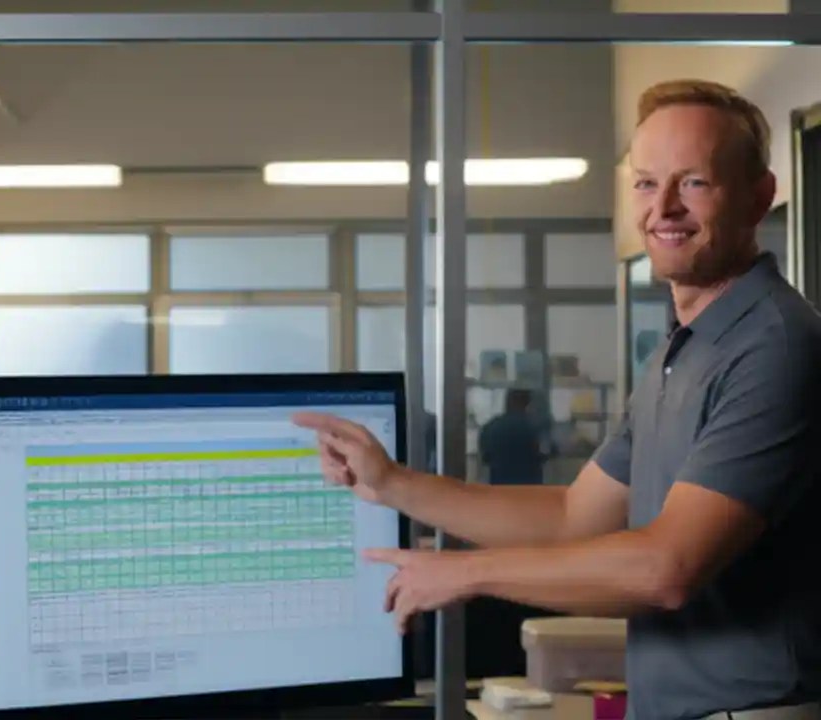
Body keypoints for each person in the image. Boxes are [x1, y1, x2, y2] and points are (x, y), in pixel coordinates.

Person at [295, 79, 821, 720]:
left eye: (694, 183)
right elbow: (575, 515)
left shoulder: (776, 347)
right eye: (647, 183)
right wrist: (392, 484)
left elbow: (667, 568)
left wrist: (465, 574)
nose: (664, 209)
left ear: (760, 197)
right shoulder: (682, 351)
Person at [478, 389, 545, 486]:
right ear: (527, 403)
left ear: (507, 402)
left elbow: (485, 457)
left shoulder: (491, 426)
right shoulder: (533, 426)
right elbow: (545, 453)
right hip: (529, 488)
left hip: (500, 486)